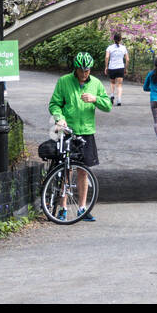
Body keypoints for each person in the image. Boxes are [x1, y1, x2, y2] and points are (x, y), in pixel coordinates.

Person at [48, 51, 112, 221]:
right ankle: (62, 207)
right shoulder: (64, 81)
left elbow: (108, 106)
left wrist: (95, 99)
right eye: (81, 70)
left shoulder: (96, 83)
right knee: (65, 170)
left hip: (87, 132)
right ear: (75, 69)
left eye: (87, 71)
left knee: (84, 171)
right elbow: (55, 104)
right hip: (68, 131)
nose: (84, 74)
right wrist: (59, 118)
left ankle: (82, 208)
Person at [104, 31, 129, 106]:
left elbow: (107, 57)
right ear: (120, 39)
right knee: (119, 85)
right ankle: (119, 100)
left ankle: (112, 95)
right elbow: (127, 59)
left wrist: (106, 67)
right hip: (120, 67)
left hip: (112, 67)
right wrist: (126, 68)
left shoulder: (109, 48)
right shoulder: (123, 48)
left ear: (113, 39)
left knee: (112, 83)